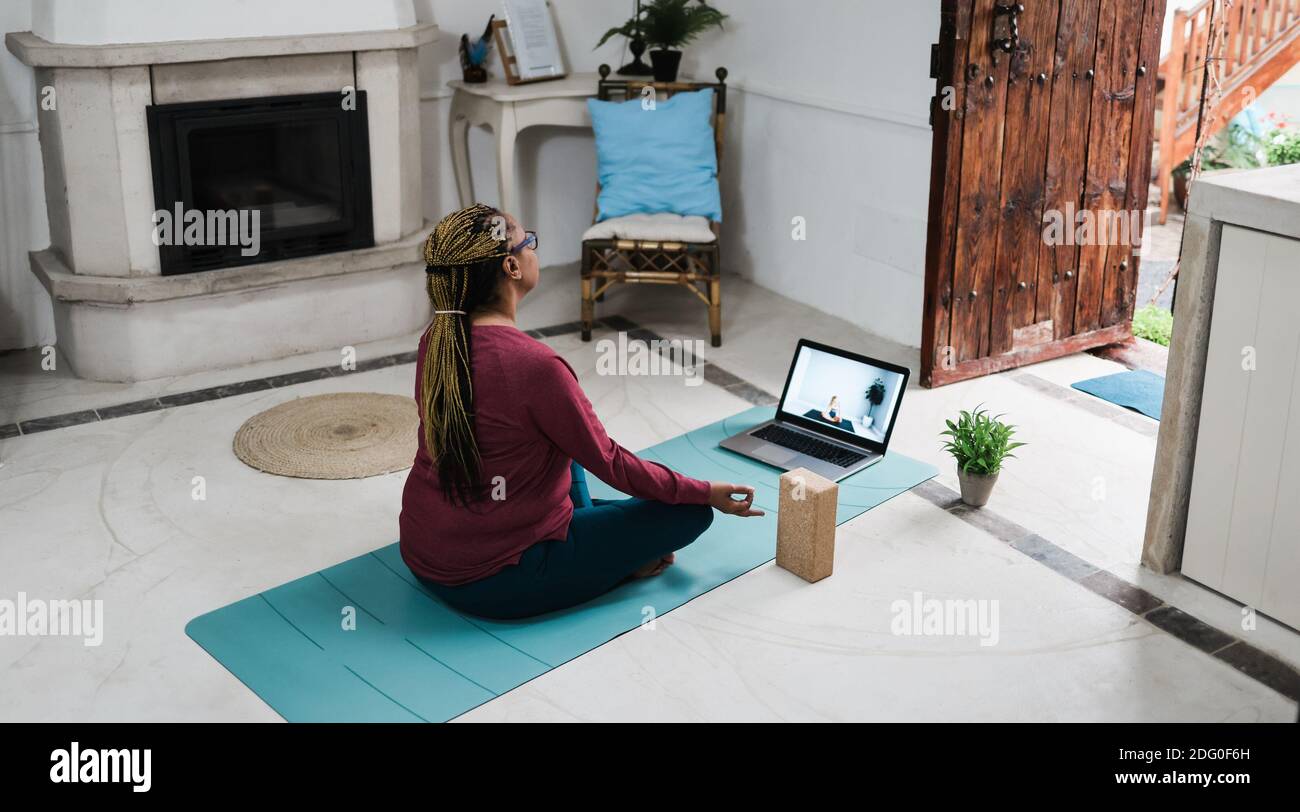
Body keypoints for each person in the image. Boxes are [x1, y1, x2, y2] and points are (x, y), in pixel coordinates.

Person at [399, 204, 764, 620]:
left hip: (424, 552)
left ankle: (594, 539)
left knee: (562, 445)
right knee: (687, 515)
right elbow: (611, 463)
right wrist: (706, 492)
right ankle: (612, 566)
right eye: (529, 242)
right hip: (495, 580)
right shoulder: (536, 367)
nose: (534, 249)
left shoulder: (437, 340)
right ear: (511, 267)